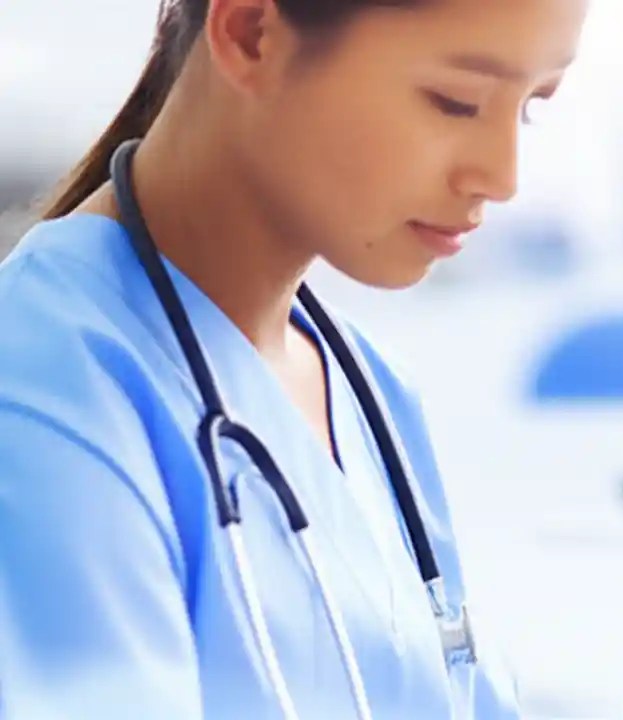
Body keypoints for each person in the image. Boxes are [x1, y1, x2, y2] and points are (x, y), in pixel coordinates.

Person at [0, 0, 586, 717]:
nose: (501, 176)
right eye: (455, 102)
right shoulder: (42, 397)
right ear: (251, 33)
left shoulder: (368, 386)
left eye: (531, 106)